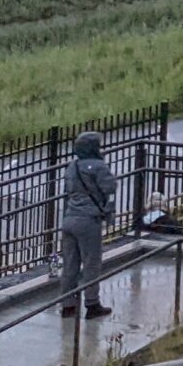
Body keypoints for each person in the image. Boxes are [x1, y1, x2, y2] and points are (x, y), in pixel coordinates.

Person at [57, 130, 116, 318]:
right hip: (89, 220)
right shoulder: (98, 166)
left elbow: (67, 190)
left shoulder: (71, 167)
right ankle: (92, 304)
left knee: (69, 265)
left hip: (69, 219)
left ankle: (68, 304)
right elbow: (110, 187)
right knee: (91, 263)